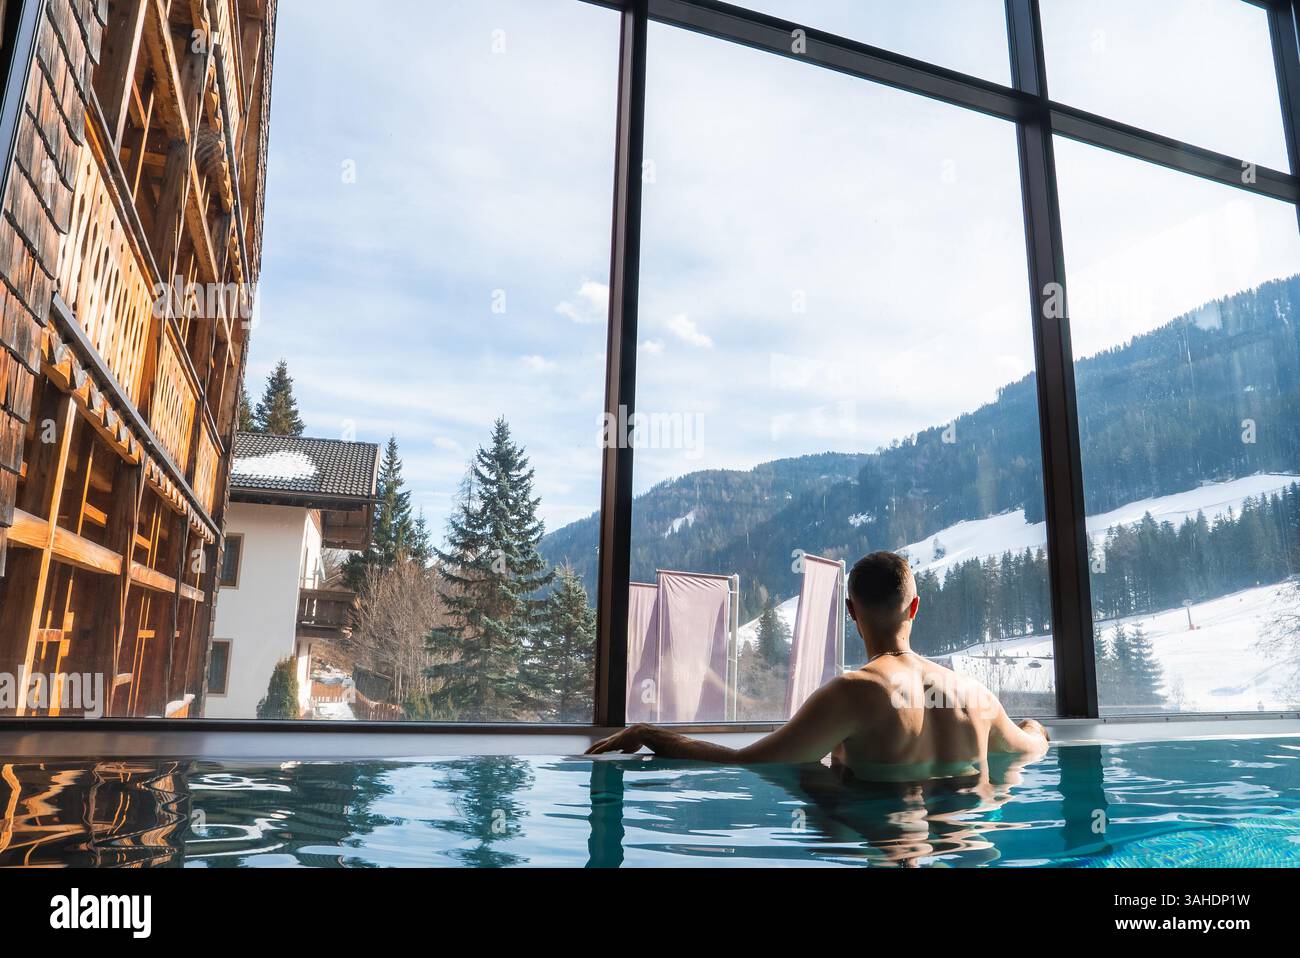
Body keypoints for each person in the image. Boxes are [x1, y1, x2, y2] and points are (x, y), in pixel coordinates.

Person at [586, 550, 1049, 778]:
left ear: (851, 612)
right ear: (915, 609)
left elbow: (746, 763)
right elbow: (1032, 750)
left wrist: (649, 734)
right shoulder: (977, 697)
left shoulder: (855, 693)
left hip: (880, 846)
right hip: (964, 850)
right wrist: (1034, 727)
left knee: (816, 787)